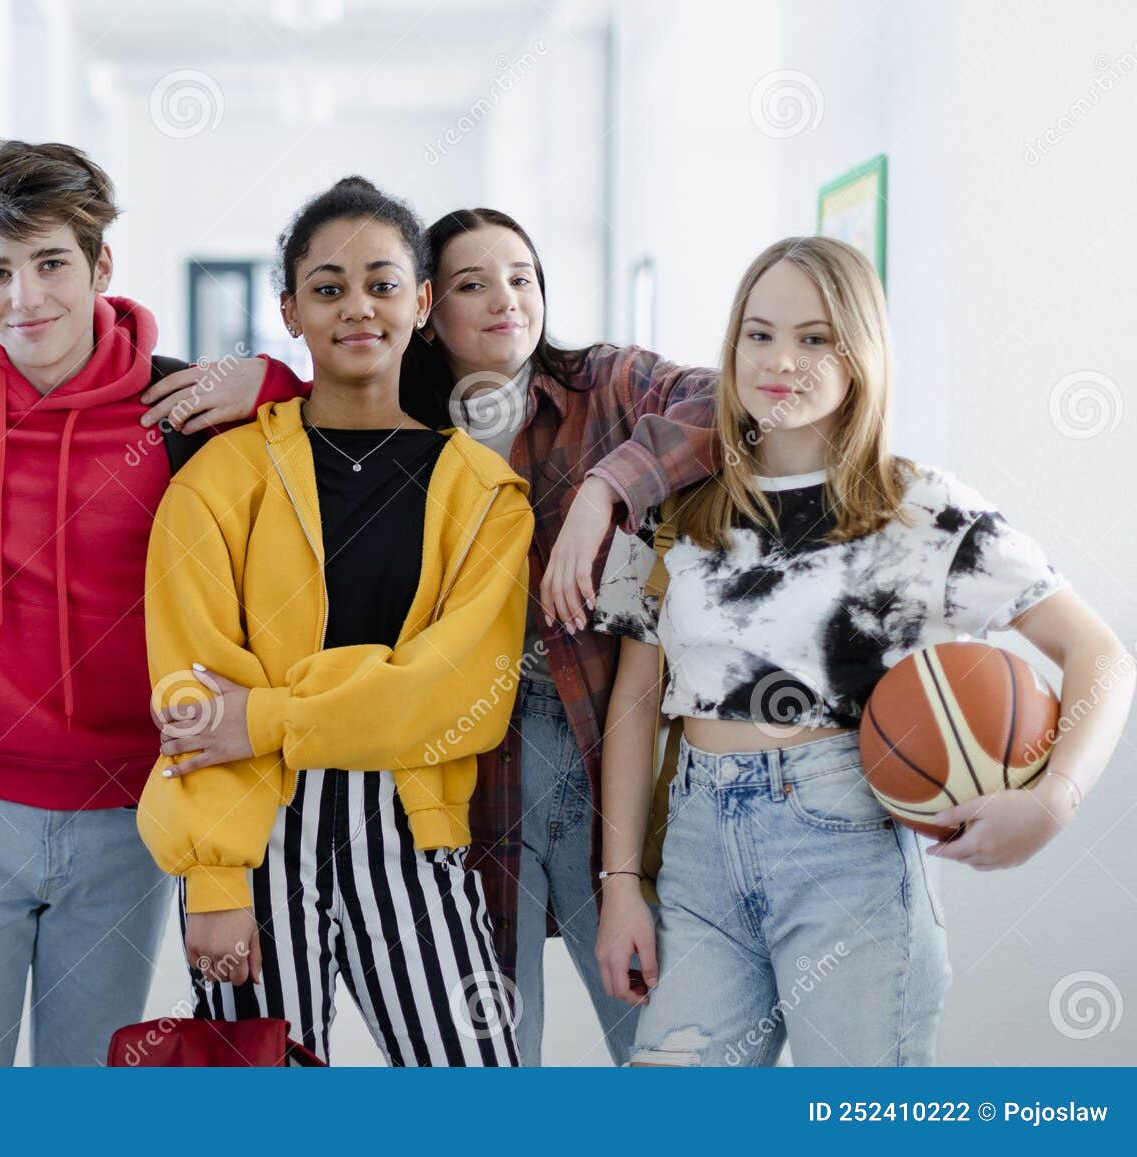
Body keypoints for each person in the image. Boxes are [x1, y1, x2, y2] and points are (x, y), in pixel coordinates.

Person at [592, 235, 1133, 1066]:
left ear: (861, 355)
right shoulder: (675, 510)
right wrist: (621, 882)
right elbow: (632, 704)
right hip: (698, 852)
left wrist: (1054, 800)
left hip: (849, 847)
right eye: (760, 334)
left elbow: (1100, 652)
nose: (781, 361)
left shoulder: (919, 507)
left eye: (815, 338)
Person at [0, 140, 308, 1066]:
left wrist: (275, 381)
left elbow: (355, 420)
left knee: (85, 1091)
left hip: (128, 811)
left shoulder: (179, 407)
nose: (26, 297)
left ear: (101, 265)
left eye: (51, 263)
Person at [138, 177, 533, 1066]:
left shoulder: (484, 494)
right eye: (328, 287)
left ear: (420, 303)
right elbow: (192, 695)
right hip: (256, 831)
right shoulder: (216, 479)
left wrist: (267, 713)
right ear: (290, 310)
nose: (358, 306)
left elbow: (458, 695)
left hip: (412, 826)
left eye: (382, 284)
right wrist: (214, 879)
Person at [407, 208, 717, 1064]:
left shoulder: (605, 385)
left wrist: (608, 486)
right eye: (473, 284)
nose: (506, 298)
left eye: (522, 277)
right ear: (428, 310)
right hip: (468, 766)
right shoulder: (406, 425)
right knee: (495, 1050)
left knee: (663, 1042)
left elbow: (728, 404)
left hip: (600, 748)